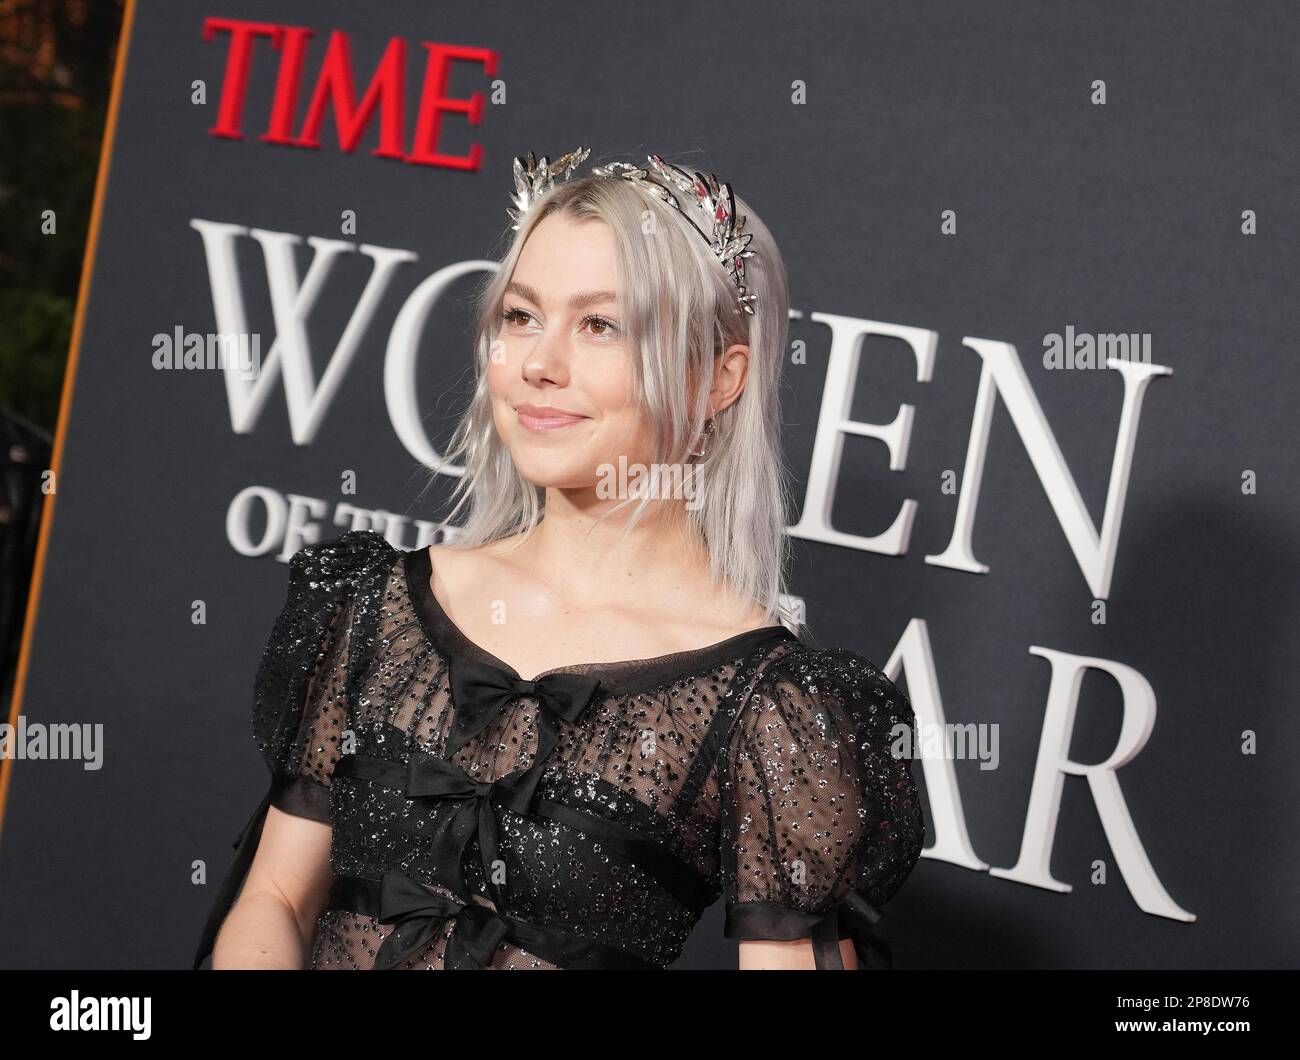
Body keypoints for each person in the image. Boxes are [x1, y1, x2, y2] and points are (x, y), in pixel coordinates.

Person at [192, 147, 925, 971]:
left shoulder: (771, 707)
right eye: (520, 316)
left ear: (720, 379)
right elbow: (278, 898)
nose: (539, 364)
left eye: (601, 325)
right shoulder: (377, 603)